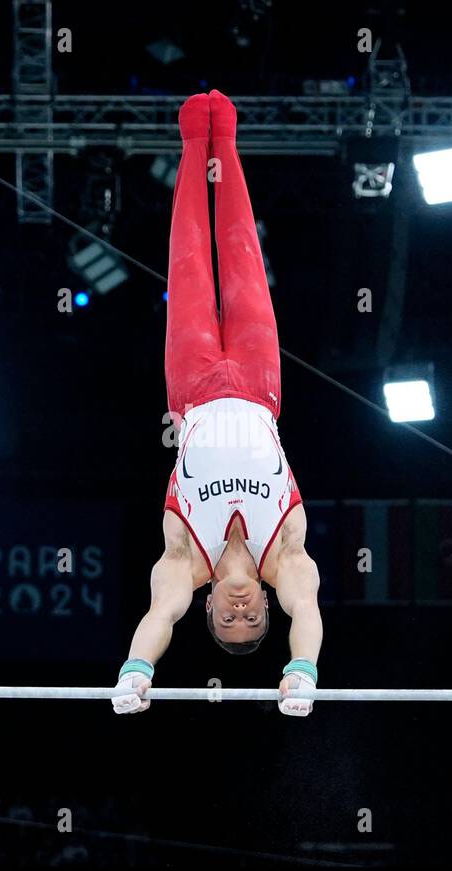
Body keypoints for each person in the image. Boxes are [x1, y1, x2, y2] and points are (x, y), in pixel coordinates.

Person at [112, 91, 322, 718]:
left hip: (193, 389)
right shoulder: (286, 558)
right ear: (265, 603)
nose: (237, 611)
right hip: (259, 387)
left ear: (206, 607)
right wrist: (302, 670)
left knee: (188, 260)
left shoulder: (183, 562)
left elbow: (157, 617)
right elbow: (307, 611)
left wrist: (136, 670)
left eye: (225, 620)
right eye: (250, 618)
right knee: (239, 252)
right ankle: (223, 142)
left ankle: (191, 143)